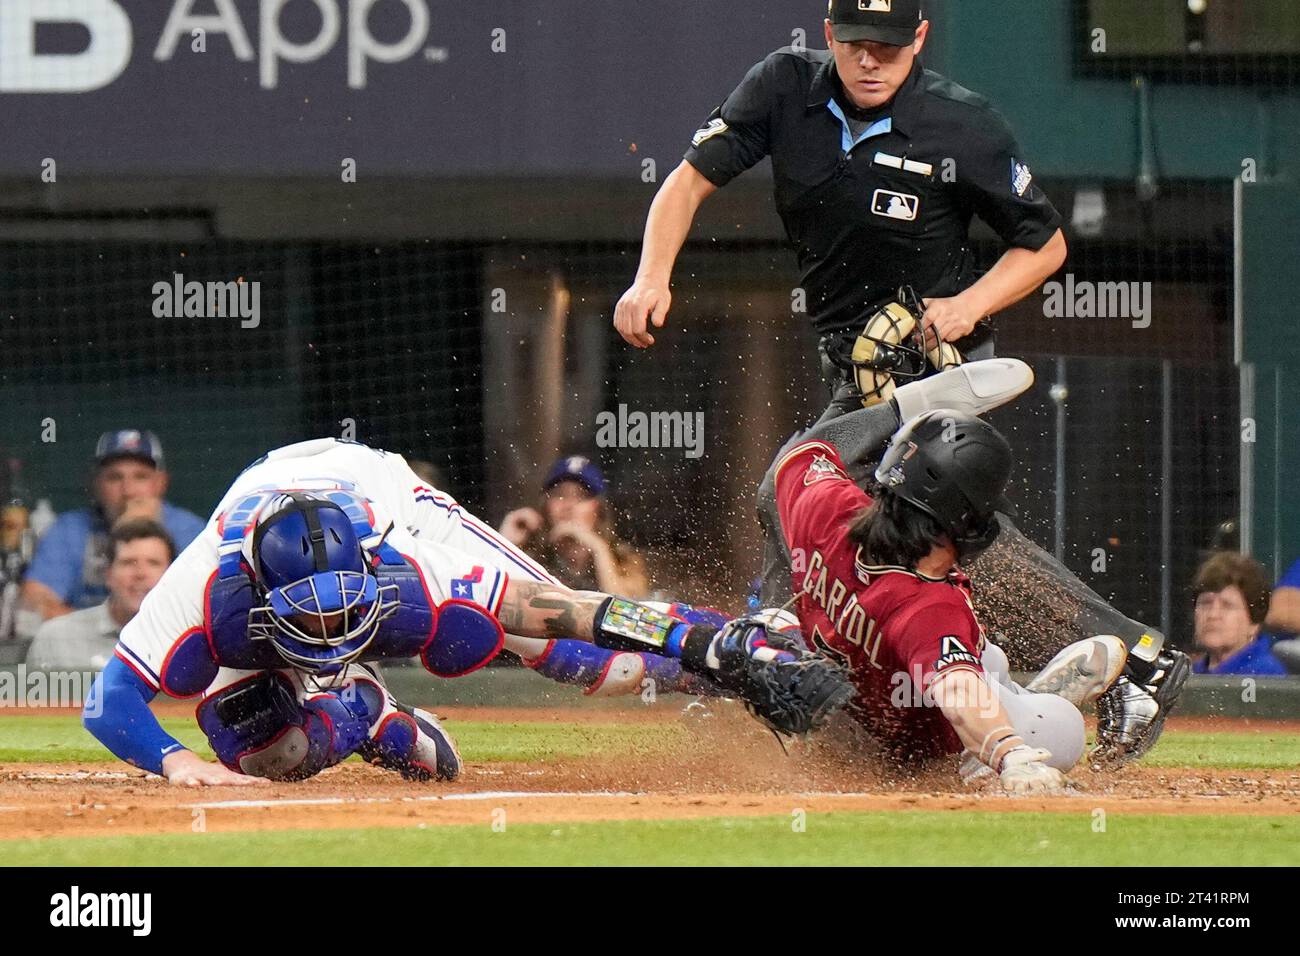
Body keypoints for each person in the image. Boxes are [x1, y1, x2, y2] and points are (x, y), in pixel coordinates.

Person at [614, 0, 1188, 759]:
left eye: (889, 44)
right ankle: (791, 676)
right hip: (853, 370)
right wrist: (651, 277)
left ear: (919, 37)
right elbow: (685, 184)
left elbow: (1043, 246)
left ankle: (784, 675)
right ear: (828, 37)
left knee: (804, 494)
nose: (871, 60)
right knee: (849, 519)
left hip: (936, 370)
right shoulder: (784, 89)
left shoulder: (963, 125)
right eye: (856, 42)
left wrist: (968, 303)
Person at [83, 438, 844, 786]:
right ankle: (372, 715)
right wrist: (177, 766)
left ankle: (747, 646)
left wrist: (707, 644)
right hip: (267, 510)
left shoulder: (419, 568)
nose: (329, 629)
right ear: (256, 590)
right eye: (308, 618)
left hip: (382, 488)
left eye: (340, 610)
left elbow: (581, 611)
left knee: (592, 662)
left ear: (369, 572)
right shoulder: (202, 589)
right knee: (260, 755)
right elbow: (108, 703)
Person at [763, 406, 1129, 792]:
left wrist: (896, 409)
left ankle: (1004, 690)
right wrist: (1010, 755)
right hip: (917, 746)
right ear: (967, 521)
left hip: (844, 713)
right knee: (1065, 731)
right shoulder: (929, 605)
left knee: (983, 657)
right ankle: (1010, 721)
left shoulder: (824, 504)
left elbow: (803, 451)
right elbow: (957, 691)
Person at [20, 430, 205, 624]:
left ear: (161, 483)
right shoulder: (70, 529)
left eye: (140, 477)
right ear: (96, 484)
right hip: (87, 648)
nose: (128, 491)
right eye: (114, 478)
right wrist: (98, 636)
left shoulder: (190, 530)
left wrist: (147, 530)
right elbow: (36, 600)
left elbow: (202, 609)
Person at [26, 519, 174, 672]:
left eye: (153, 563)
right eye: (128, 562)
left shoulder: (188, 641)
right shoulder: (57, 638)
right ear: (108, 575)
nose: (140, 573)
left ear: (172, 576)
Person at [499, 456, 649, 596]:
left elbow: (629, 610)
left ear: (598, 509)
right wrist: (504, 543)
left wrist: (599, 549)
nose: (569, 505)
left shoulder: (624, 559)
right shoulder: (531, 558)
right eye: (559, 494)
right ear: (545, 506)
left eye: (581, 496)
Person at [1190, 552, 1287, 677]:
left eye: (1227, 606)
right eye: (1206, 603)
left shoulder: (1267, 675)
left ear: (1254, 622)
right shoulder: (1188, 675)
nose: (1213, 615)